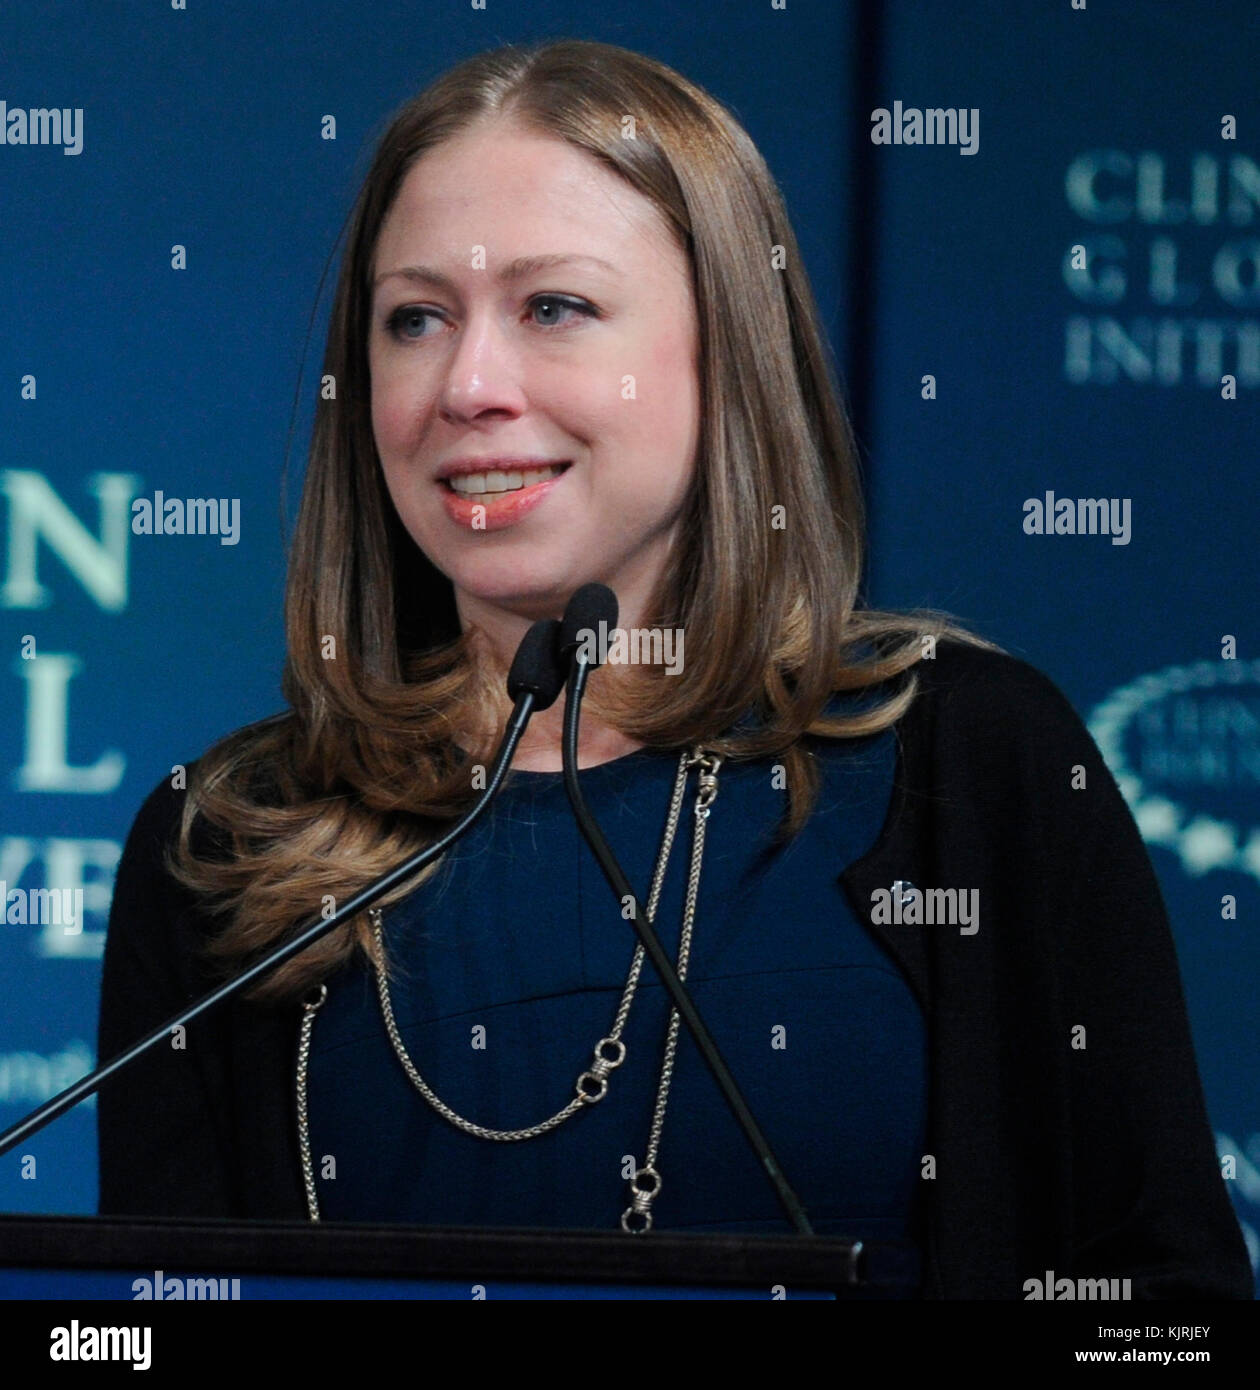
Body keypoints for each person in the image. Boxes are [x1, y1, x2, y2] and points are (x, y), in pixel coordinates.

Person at [96, 38, 1251, 1300]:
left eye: (555, 308)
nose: (468, 384)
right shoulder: (224, 842)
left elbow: (1164, 1307)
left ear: (727, 352)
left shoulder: (974, 767)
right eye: (415, 318)